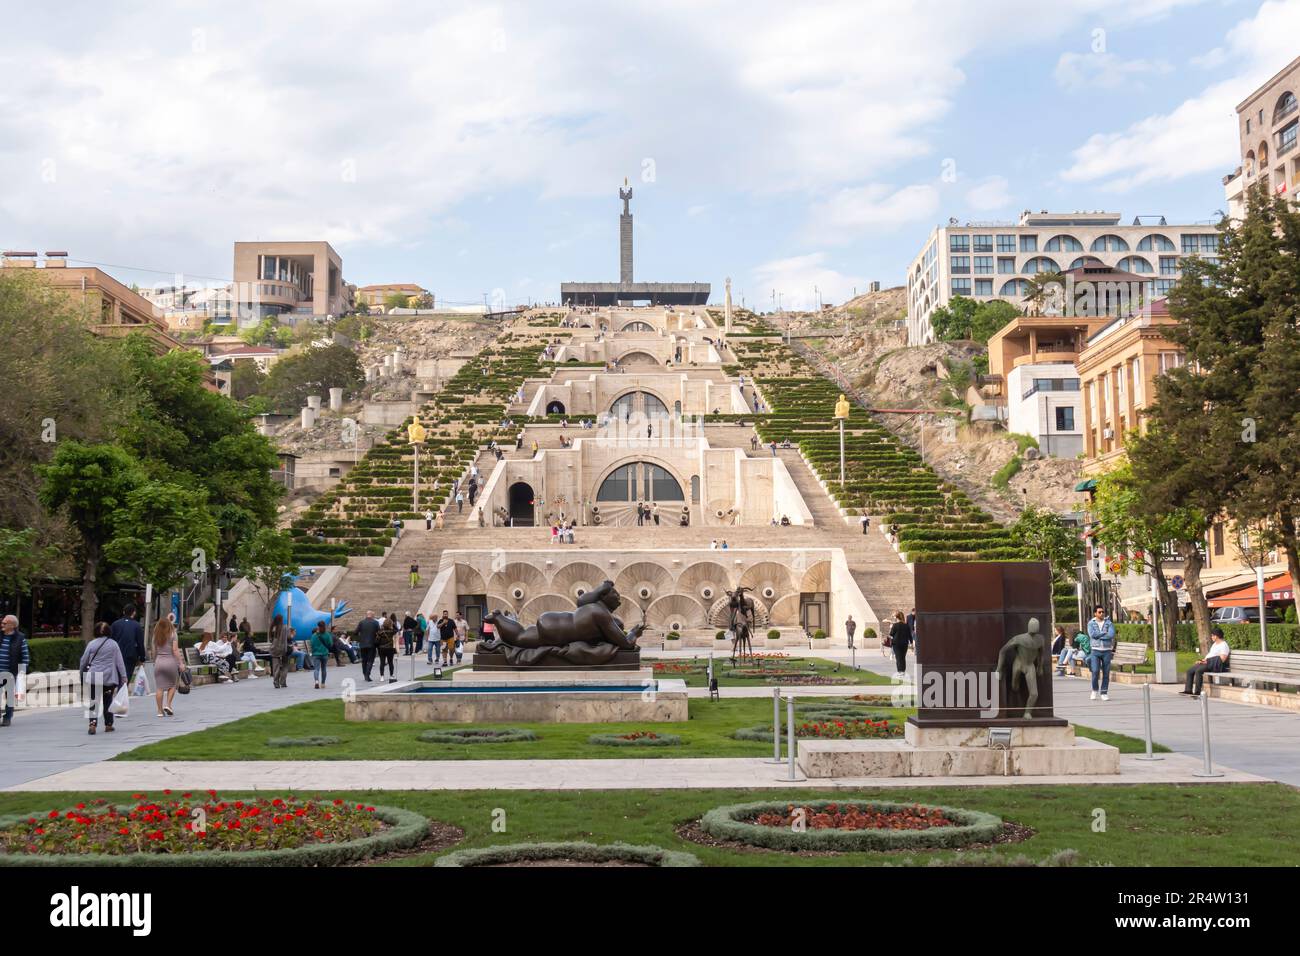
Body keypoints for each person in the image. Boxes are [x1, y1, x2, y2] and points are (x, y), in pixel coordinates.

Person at [80, 622, 127, 735]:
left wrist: (81, 672)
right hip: (109, 677)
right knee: (108, 701)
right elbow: (119, 662)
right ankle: (108, 724)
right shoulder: (114, 644)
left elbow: (84, 660)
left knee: (93, 701)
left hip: (94, 676)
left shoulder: (92, 644)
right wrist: (123, 676)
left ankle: (92, 724)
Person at [1182, 627, 1231, 696]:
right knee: (1190, 670)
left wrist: (1207, 661)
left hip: (1216, 665)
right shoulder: (1215, 644)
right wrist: (1202, 660)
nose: (1211, 637)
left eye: (1212, 635)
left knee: (1198, 671)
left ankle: (1197, 692)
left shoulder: (1224, 645)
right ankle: (1188, 690)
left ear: (1216, 636)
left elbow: (1222, 659)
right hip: (1208, 663)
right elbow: (1211, 655)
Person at [151, 618, 184, 718]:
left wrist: (154, 661)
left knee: (159, 688)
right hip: (170, 662)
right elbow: (175, 650)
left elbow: (154, 651)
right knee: (173, 685)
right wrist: (181, 663)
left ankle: (160, 711)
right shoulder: (173, 634)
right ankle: (168, 705)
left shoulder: (155, 635)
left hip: (159, 662)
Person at [109, 605, 146, 694]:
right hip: (130, 655)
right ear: (134, 612)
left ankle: (111, 692)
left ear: (123, 612)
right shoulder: (137, 626)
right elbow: (140, 642)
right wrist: (142, 657)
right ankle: (121, 694)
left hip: (116, 654)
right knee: (126, 675)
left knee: (116, 674)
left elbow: (111, 639)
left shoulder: (115, 624)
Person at [0, 615, 28, 728]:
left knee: (9, 696)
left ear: (12, 625)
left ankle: (7, 717)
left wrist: (21, 673)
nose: (2, 624)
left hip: (11, 672)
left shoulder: (20, 638)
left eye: (5, 623)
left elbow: (25, 657)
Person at [1086, 605, 1117, 701]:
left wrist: (1099, 636)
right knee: (1095, 671)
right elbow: (1092, 635)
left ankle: (1104, 692)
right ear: (1095, 613)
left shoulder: (1109, 623)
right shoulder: (1091, 623)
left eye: (1103, 612)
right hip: (1095, 650)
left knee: (1106, 673)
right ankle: (1094, 690)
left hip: (1107, 651)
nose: (1102, 613)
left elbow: (1111, 635)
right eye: (1099, 612)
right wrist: (1104, 633)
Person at [355, 611, 380, 681]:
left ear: (367, 615)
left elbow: (355, 632)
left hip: (362, 644)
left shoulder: (361, 622)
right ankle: (367, 674)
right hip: (372, 644)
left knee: (364, 660)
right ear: (372, 615)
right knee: (370, 660)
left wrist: (360, 637)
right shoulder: (375, 622)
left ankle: (364, 674)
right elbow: (379, 632)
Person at [888, 610, 912, 679]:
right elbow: (909, 635)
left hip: (896, 644)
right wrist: (911, 643)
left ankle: (900, 672)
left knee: (898, 658)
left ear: (896, 617)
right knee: (902, 658)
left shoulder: (895, 625)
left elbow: (891, 634)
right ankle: (903, 672)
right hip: (904, 643)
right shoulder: (906, 625)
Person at [268, 613, 290, 688]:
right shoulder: (285, 627)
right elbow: (289, 637)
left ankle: (276, 682)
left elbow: (270, 639)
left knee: (276, 666)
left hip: (274, 649)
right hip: (284, 649)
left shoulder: (272, 628)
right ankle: (283, 682)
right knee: (285, 665)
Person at [309, 621, 333, 689]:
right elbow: (330, 644)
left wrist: (314, 651)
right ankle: (323, 683)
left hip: (316, 654)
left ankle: (316, 682)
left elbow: (312, 645)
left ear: (318, 626)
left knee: (316, 669)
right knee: (324, 669)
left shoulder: (314, 635)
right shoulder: (327, 634)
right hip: (324, 653)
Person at [377, 615, 397, 682]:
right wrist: (393, 624)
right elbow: (397, 630)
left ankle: (382, 676)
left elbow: (377, 638)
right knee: (390, 662)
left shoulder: (381, 631)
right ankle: (391, 675)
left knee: (382, 662)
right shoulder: (391, 631)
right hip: (389, 648)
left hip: (381, 648)